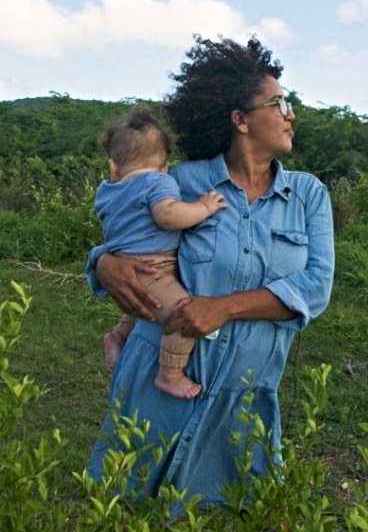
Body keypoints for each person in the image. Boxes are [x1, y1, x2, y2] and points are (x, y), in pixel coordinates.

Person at [86, 37, 334, 507]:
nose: (291, 113)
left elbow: (315, 287)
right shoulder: (182, 180)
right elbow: (131, 232)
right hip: (154, 380)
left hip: (243, 394)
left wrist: (220, 309)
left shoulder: (307, 195)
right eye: (279, 102)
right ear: (240, 120)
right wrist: (103, 261)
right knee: (129, 519)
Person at [95, 109, 227, 399]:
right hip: (153, 267)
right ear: (165, 166)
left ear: (113, 165)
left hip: (127, 263)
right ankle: (170, 373)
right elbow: (167, 216)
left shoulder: (108, 189)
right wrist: (204, 208)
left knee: (146, 306)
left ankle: (117, 336)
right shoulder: (158, 182)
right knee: (182, 314)